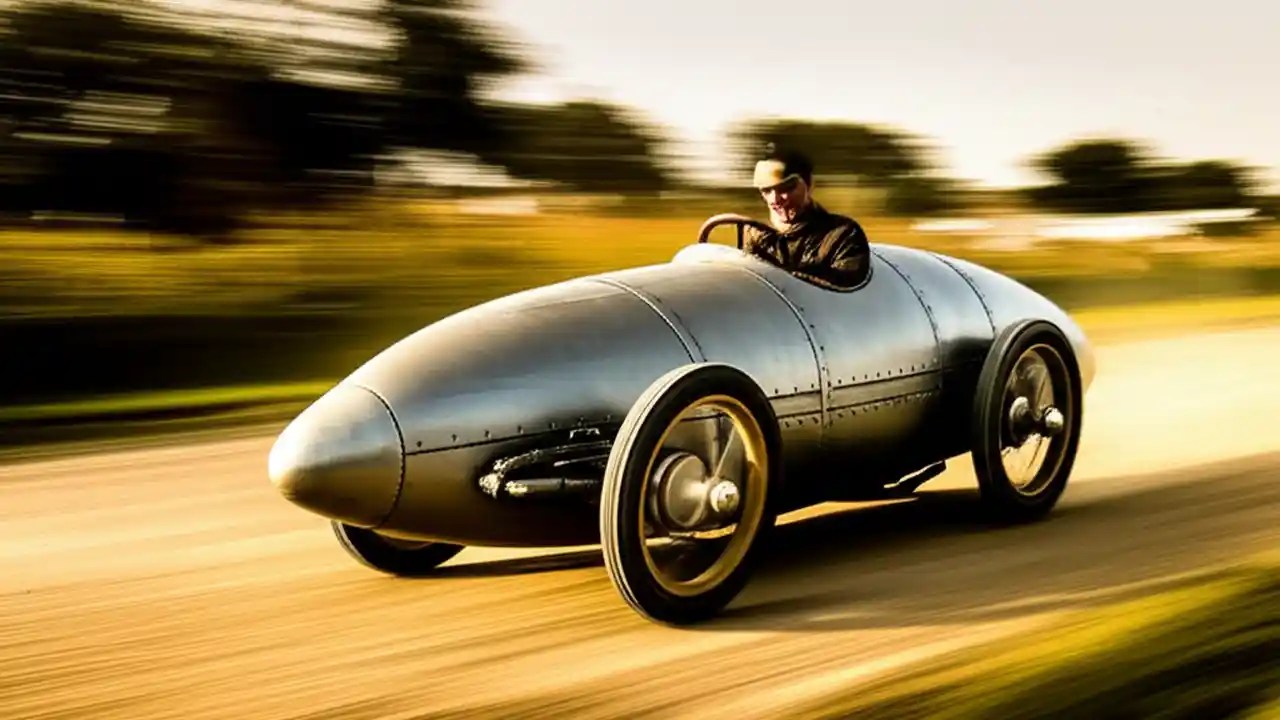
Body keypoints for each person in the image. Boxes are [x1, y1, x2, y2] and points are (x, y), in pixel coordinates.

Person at [742, 145, 871, 290]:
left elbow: (844, 291)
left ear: (809, 184)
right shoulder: (756, 236)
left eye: (786, 188)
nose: (774, 200)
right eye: (766, 190)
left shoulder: (841, 235)